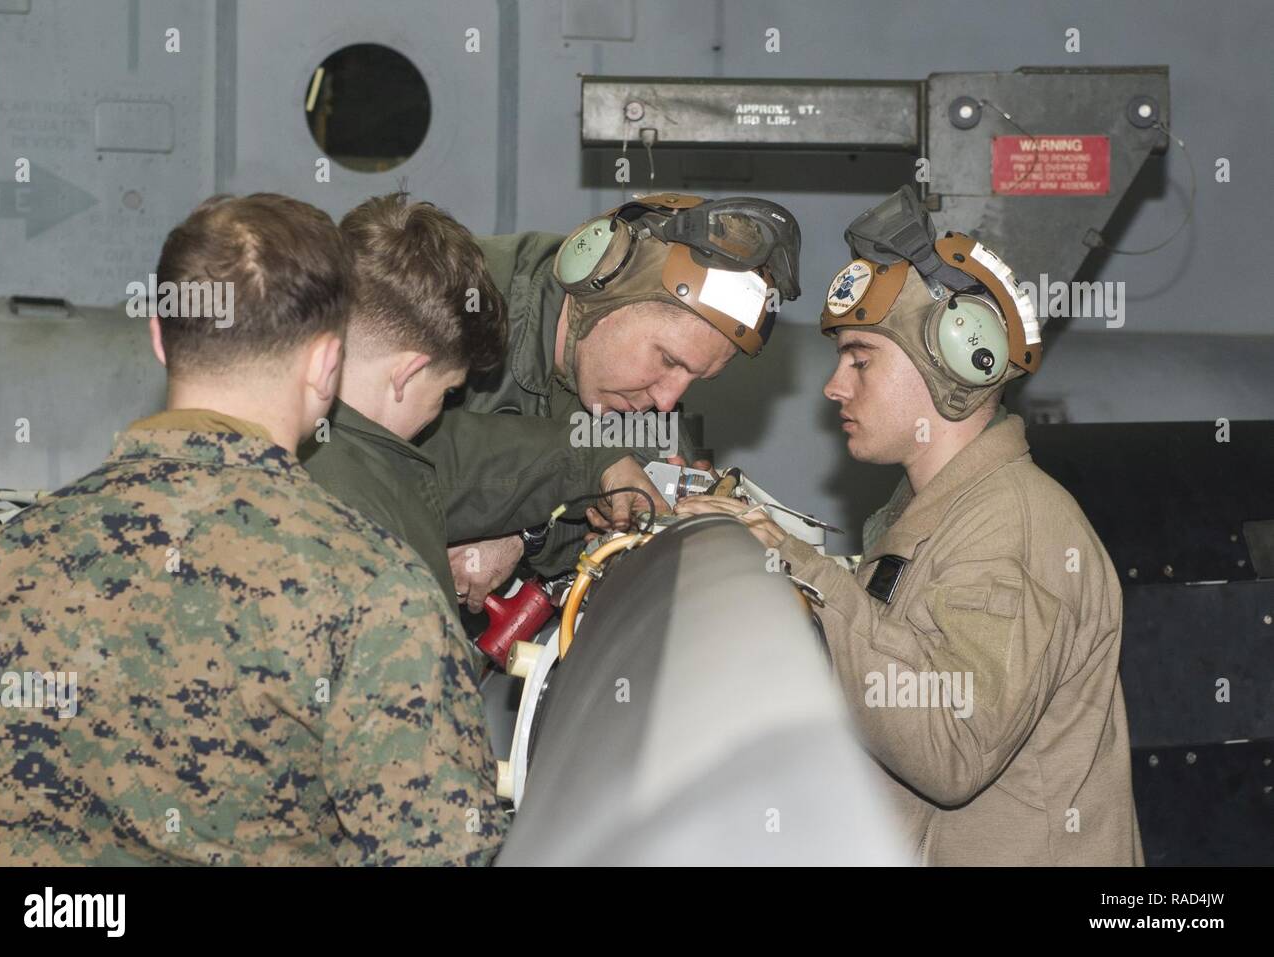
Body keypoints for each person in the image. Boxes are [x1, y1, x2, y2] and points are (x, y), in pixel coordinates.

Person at [0, 193, 505, 866]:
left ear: (161, 337)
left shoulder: (1, 567)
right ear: (325, 366)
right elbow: (441, 850)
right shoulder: (374, 591)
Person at [678, 187, 1143, 866]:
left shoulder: (1011, 528)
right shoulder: (937, 511)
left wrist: (799, 573)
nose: (835, 386)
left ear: (956, 362)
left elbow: (954, 745)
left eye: (861, 358)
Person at [422, 192, 803, 596]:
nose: (667, 400)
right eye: (669, 360)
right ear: (602, 283)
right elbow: (374, 457)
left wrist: (530, 533)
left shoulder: (641, 413)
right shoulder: (449, 301)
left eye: (695, 378)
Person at [302, 195, 664, 614]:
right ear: (405, 375)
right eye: (445, 394)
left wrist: (601, 462)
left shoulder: (324, 428)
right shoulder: (356, 536)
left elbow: (468, 456)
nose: (440, 414)